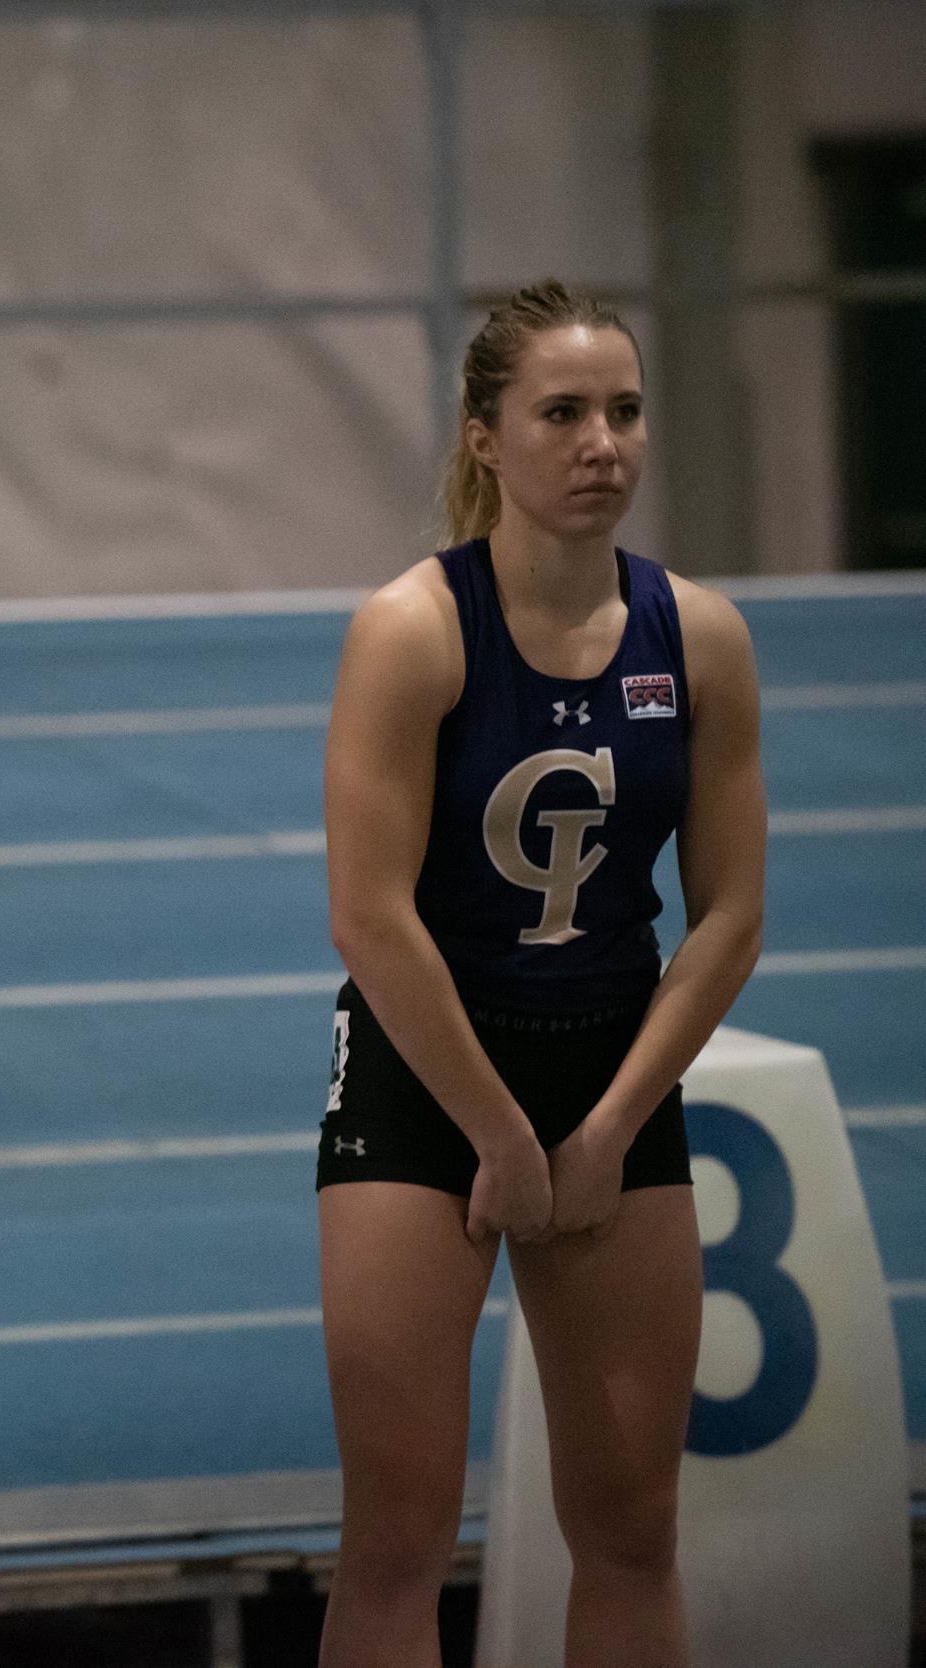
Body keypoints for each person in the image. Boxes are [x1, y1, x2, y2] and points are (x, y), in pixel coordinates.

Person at [315, 281, 765, 1667]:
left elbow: (733, 913)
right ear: (485, 441)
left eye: (624, 412)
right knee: (399, 1532)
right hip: (426, 1073)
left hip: (610, 1072)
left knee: (632, 1527)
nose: (601, 445)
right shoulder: (413, 629)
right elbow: (368, 917)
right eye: (561, 414)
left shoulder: (697, 638)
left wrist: (613, 1126)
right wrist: (503, 1137)